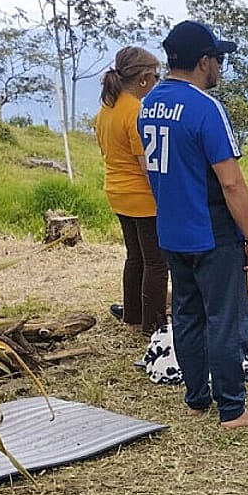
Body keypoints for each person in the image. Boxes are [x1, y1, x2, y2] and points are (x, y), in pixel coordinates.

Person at [141, 20, 248, 429]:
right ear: (203, 61)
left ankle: (196, 396)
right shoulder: (204, 107)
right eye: (218, 59)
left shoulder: (150, 103)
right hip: (210, 229)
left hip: (170, 227)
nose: (220, 67)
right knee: (223, 317)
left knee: (187, 314)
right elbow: (231, 182)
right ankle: (232, 408)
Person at [95, 46, 167, 336]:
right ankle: (154, 326)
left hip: (116, 191)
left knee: (134, 256)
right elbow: (145, 163)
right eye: (156, 77)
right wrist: (163, 196)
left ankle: (134, 315)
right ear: (143, 79)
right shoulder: (136, 111)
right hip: (141, 196)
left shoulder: (107, 109)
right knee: (157, 262)